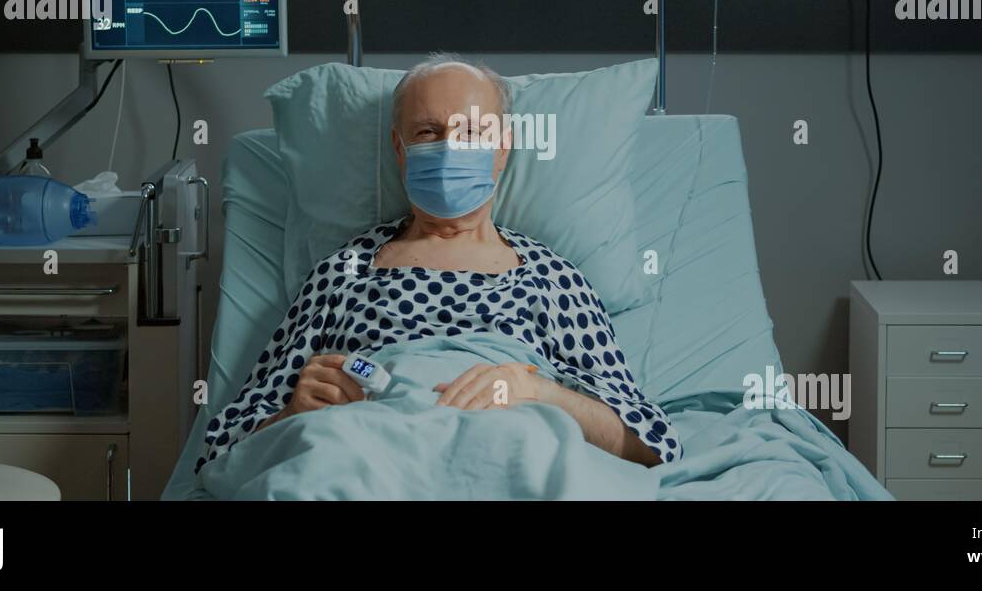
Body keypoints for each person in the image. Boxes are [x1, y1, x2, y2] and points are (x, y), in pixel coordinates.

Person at [196, 54, 679, 475]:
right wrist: (294, 412)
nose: (450, 147)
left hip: (508, 450)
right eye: (428, 132)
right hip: (358, 454)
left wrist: (537, 392)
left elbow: (652, 443)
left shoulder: (552, 279)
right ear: (399, 149)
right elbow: (220, 447)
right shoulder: (343, 273)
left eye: (472, 131)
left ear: (502, 148)